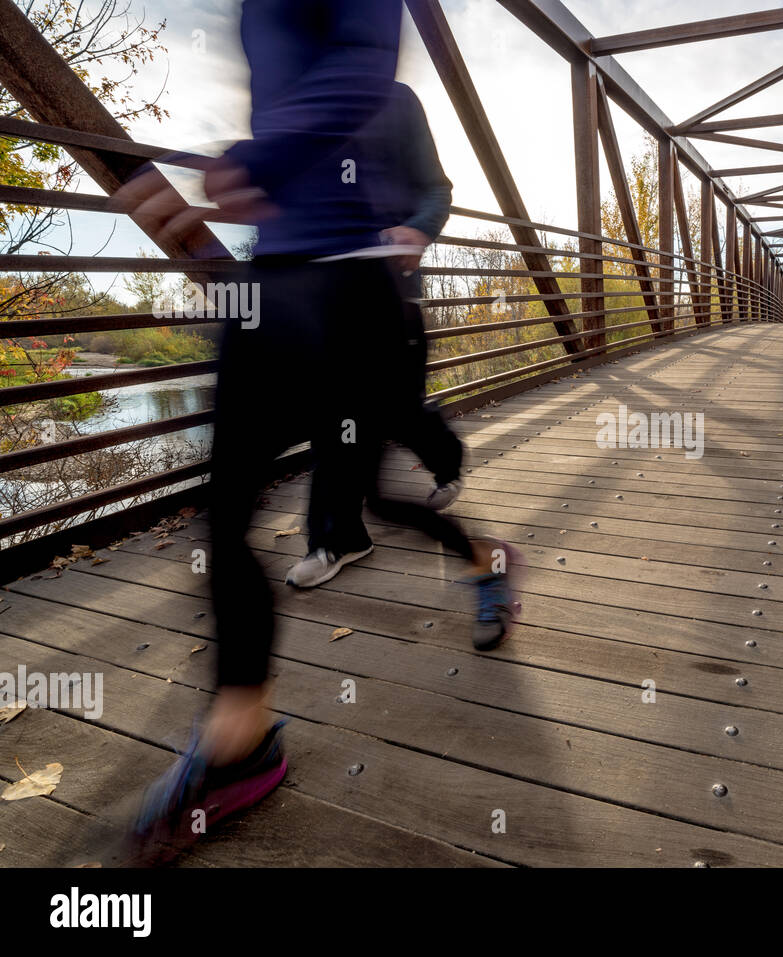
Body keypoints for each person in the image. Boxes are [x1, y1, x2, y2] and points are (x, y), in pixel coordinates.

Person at [111, 0, 516, 851]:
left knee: (378, 495)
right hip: (276, 289)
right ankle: (241, 737)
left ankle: (486, 560)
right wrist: (217, 193)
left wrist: (416, 223)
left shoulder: (397, 103)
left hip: (367, 298)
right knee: (223, 505)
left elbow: (374, 76)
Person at [285, 82, 471, 593]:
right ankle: (339, 538)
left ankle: (448, 461)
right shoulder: (299, 102)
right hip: (326, 298)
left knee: (400, 409)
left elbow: (437, 187)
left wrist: (418, 230)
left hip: (393, 295)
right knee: (334, 421)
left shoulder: (396, 99)